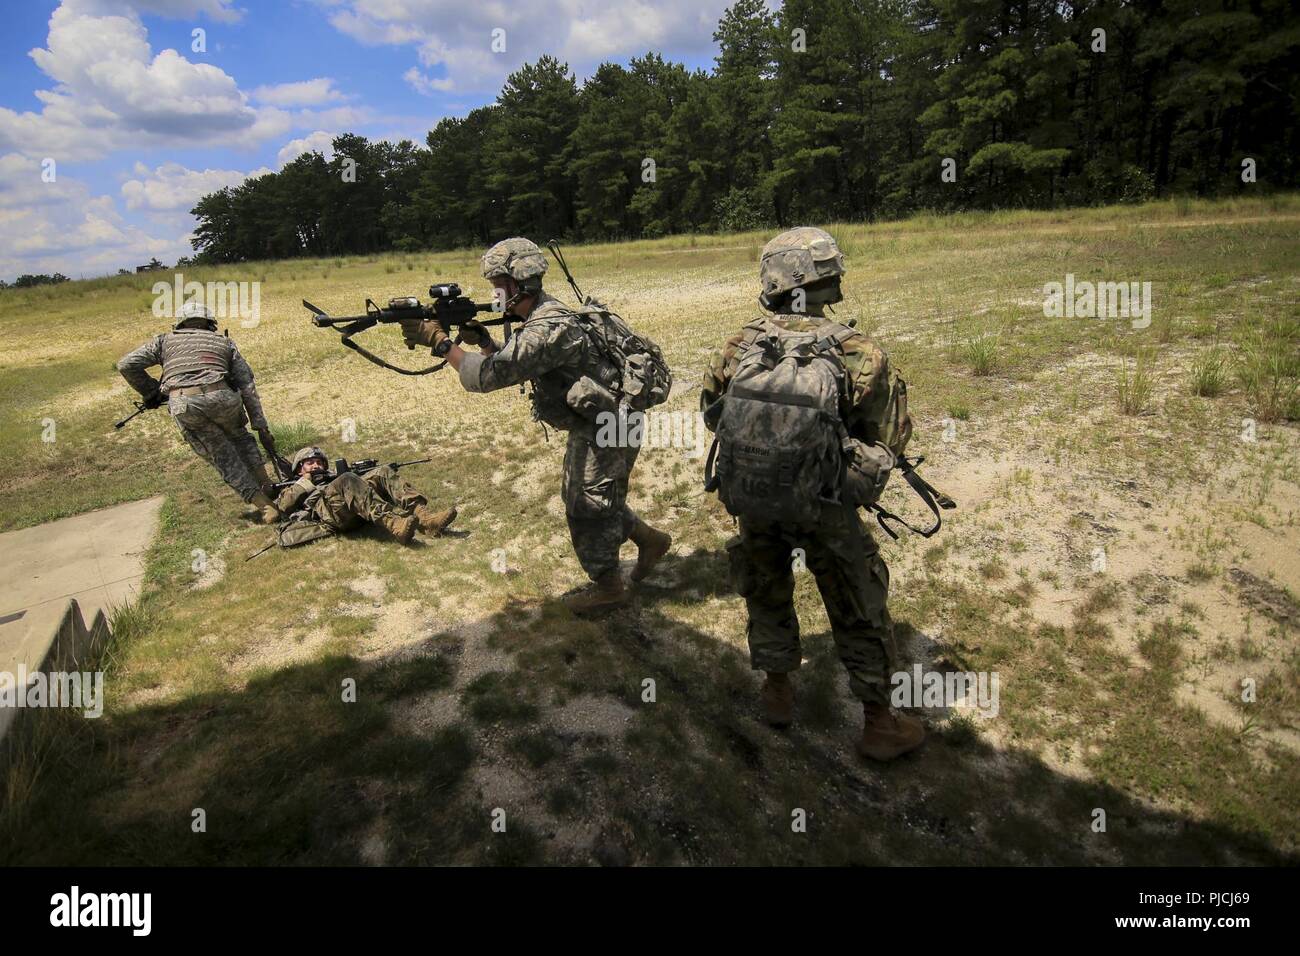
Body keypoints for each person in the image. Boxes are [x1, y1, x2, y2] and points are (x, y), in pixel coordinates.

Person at [700, 227, 925, 761]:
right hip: (825, 504)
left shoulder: (739, 345)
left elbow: (714, 414)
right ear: (829, 281)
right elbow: (888, 437)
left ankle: (777, 692)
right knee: (856, 599)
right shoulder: (859, 352)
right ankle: (878, 723)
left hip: (756, 499)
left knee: (767, 588)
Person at [398, 237, 671, 616]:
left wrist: (441, 343)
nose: (493, 292)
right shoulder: (544, 314)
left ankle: (610, 588)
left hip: (610, 425)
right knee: (590, 496)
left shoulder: (545, 329)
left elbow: (485, 378)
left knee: (586, 505)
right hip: (605, 420)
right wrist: (487, 340)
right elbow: (516, 363)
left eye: (498, 285)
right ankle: (651, 540)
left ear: (516, 284)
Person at [117, 301, 281, 523]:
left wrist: (151, 391)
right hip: (223, 397)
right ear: (210, 323)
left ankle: (264, 507)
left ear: (180, 323)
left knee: (222, 456)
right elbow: (247, 386)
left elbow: (126, 364)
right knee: (241, 438)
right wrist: (261, 427)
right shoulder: (223, 342)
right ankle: (267, 484)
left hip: (185, 403)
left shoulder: (164, 341)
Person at [275, 446, 457, 544]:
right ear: (299, 469)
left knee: (382, 471)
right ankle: (394, 525)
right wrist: (306, 481)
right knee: (347, 479)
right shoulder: (294, 485)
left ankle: (425, 519)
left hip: (355, 510)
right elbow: (283, 506)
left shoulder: (333, 476)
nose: (316, 466)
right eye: (309, 463)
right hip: (330, 516)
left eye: (319, 462)